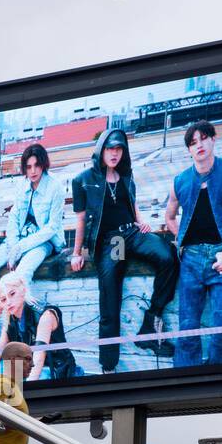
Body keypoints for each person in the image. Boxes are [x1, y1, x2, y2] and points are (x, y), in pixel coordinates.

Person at [70, 128, 178, 371]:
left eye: (119, 149)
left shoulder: (127, 176)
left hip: (132, 233)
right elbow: (80, 219)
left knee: (168, 256)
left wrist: (141, 222)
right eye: (110, 148)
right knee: (111, 296)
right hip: (112, 242)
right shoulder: (83, 180)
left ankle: (151, 323)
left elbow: (131, 205)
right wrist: (76, 252)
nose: (114, 153)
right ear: (100, 151)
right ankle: (109, 364)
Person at [165, 120, 222, 368]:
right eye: (193, 142)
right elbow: (169, 217)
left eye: (204, 138)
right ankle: (185, 387)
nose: (199, 145)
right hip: (191, 260)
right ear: (189, 150)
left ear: (214, 140)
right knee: (187, 328)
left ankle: (217, 382)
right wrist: (182, 240)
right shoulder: (180, 181)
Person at [0, 143, 66, 344]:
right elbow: (14, 218)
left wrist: (20, 249)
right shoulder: (22, 185)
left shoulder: (55, 188)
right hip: (17, 240)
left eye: (36, 166)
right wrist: (14, 246)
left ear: (43, 165)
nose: (32, 171)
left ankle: (17, 330)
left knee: (21, 274)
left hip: (43, 241)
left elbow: (51, 228)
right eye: (28, 166)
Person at [0, 272, 81, 381]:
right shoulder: (11, 319)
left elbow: (39, 358)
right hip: (29, 367)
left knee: (40, 377)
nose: (9, 302)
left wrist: (27, 390)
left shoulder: (45, 315)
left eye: (12, 294)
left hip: (55, 369)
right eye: (3, 299)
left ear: (23, 290)